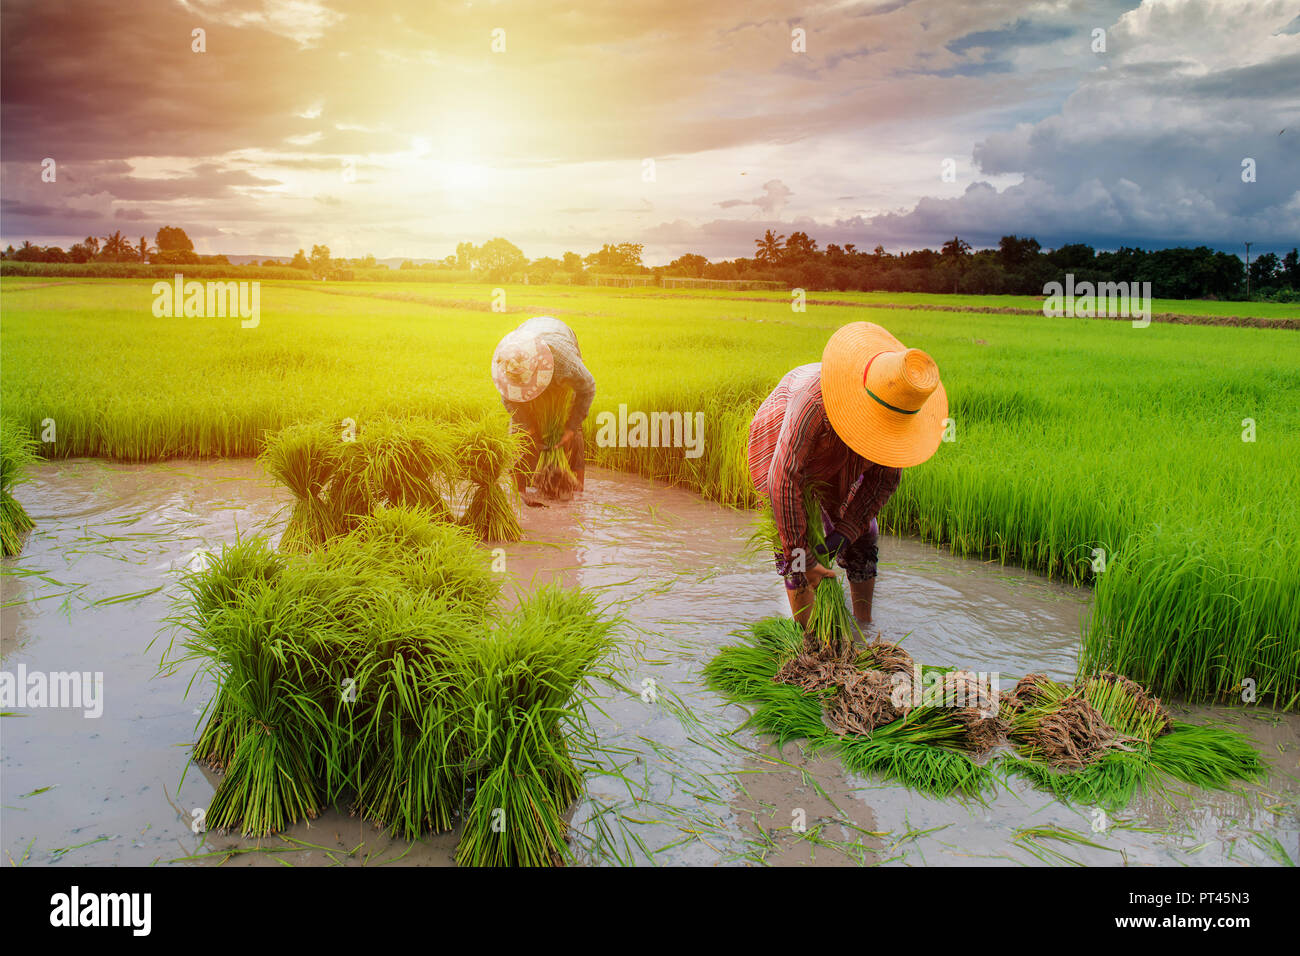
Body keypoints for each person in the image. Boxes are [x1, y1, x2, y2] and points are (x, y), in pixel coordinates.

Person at [748, 322, 947, 629]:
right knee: (796, 546)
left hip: (838, 459)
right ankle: (811, 644)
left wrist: (844, 533)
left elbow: (884, 481)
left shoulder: (897, 416)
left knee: (864, 534)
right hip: (782, 441)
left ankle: (863, 628)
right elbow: (784, 480)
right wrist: (805, 556)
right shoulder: (815, 401)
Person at [491, 316, 595, 507]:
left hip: (558, 350)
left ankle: (577, 489)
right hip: (529, 333)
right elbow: (509, 398)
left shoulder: (566, 363)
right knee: (521, 435)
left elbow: (587, 388)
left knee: (570, 428)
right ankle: (519, 493)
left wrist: (570, 428)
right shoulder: (508, 364)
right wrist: (528, 427)